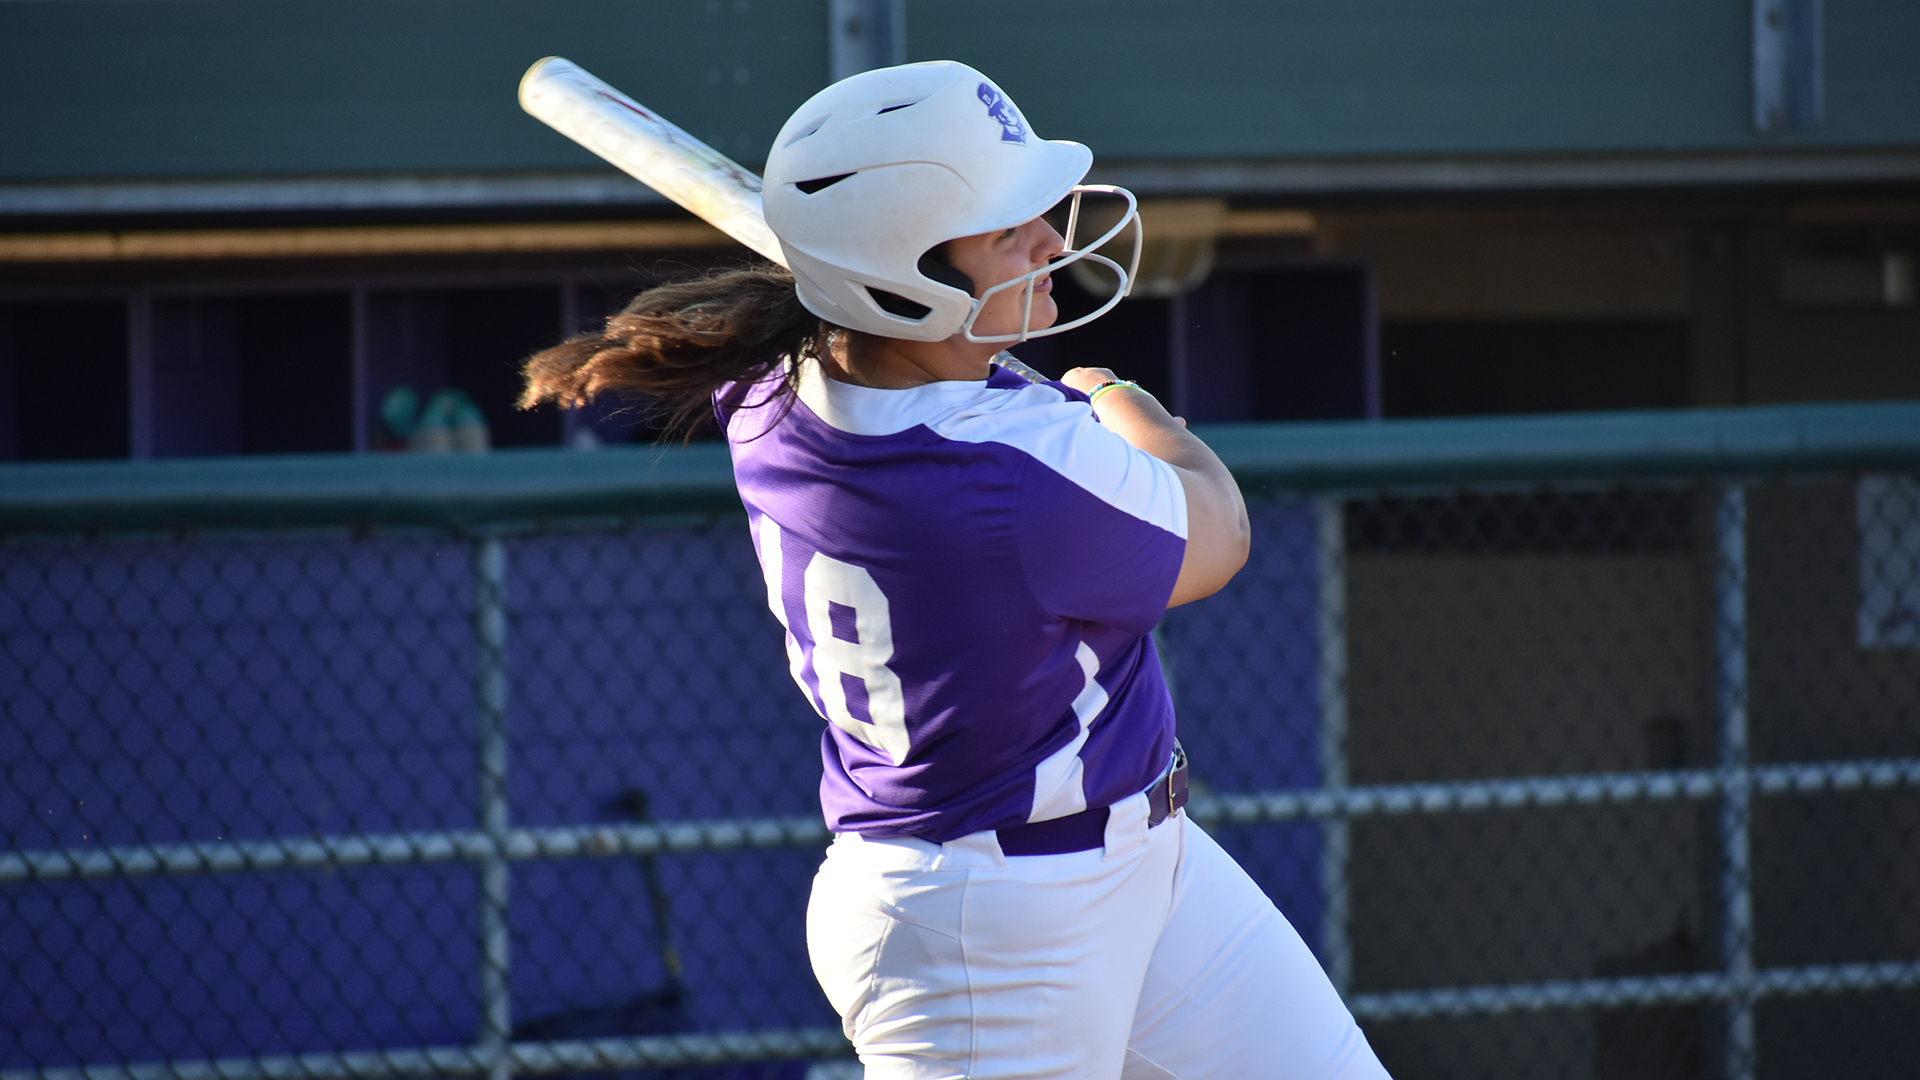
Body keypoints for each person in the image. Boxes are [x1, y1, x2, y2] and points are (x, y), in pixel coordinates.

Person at [521, 61, 1390, 1080]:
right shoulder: (1013, 475)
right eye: (1008, 227)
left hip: (1143, 865)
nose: (1053, 242)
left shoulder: (774, 392)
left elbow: (860, 349)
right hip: (990, 929)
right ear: (907, 276)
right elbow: (1222, 531)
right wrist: (1122, 399)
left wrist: (991, 366)